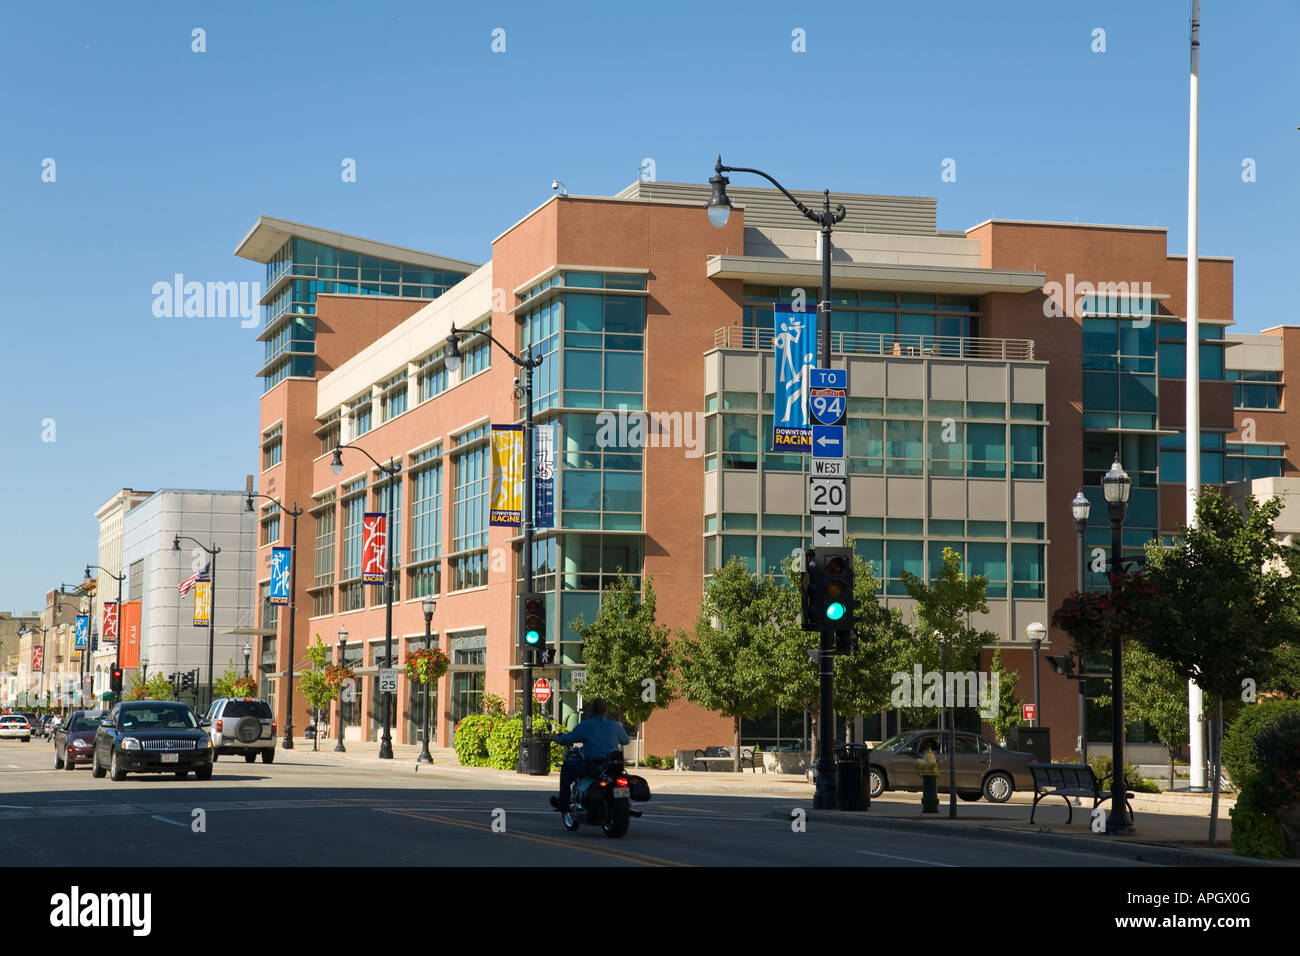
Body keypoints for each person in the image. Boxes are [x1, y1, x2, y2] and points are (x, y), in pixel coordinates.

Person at [549, 699, 629, 813]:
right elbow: (625, 740)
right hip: (613, 766)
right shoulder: (614, 725)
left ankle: (563, 804)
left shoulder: (586, 726)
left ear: (591, 710)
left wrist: (556, 738)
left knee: (566, 767)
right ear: (606, 710)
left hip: (594, 766)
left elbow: (568, 739)